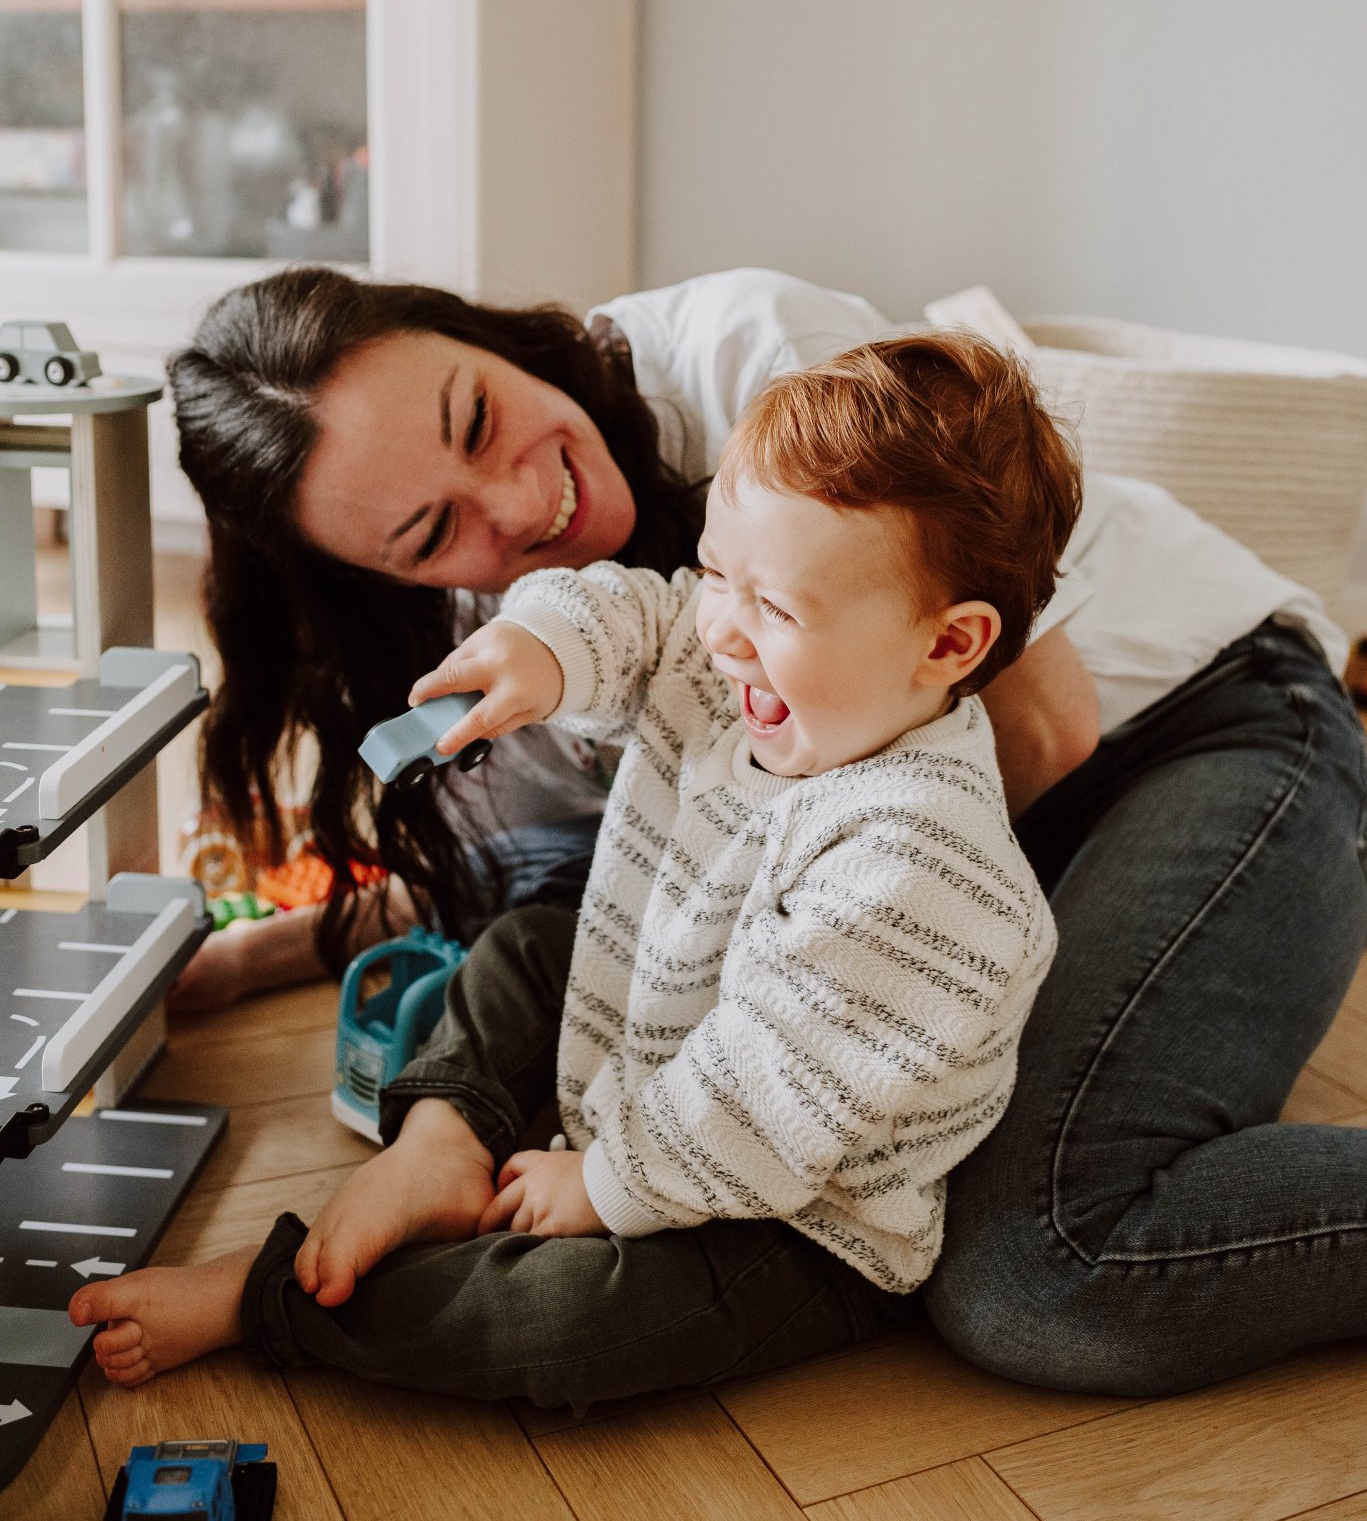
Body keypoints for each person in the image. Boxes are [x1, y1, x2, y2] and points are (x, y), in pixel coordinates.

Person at [157, 262, 1366, 1397]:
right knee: (553, 945)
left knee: (1033, 1267)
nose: (520, 502)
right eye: (431, 533)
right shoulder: (708, 624)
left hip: (1202, 726)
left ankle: (300, 1299)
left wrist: (650, 1144)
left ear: (476, 332)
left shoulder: (776, 390)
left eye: (475, 418)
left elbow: (1041, 733)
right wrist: (253, 953)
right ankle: (434, 1145)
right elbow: (624, 655)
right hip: (869, 858)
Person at [71, 332, 1076, 1396]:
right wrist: (540, 650)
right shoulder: (740, 660)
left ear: (947, 645)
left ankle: (269, 1299)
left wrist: (601, 1186)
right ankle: (437, 1144)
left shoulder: (918, 860)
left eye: (776, 608)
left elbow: (760, 1110)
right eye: (717, 571)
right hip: (649, 1047)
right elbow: (632, 611)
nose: (723, 631)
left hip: (788, 1211)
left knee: (563, 1319)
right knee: (522, 949)